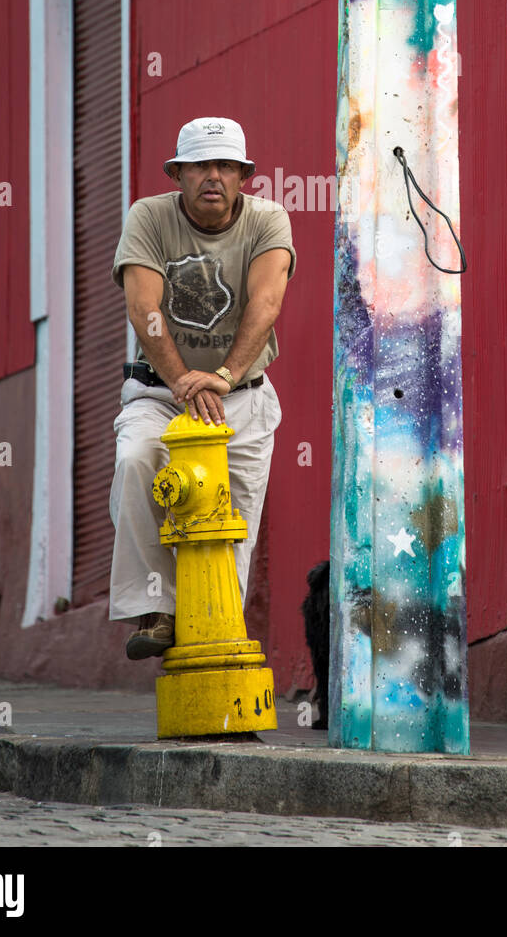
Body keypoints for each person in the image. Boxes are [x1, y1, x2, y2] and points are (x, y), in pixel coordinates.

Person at [108, 117, 295, 660]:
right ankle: (156, 606)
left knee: (233, 518)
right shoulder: (149, 216)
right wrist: (183, 380)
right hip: (161, 393)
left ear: (243, 175)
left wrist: (222, 376)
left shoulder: (268, 220)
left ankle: (215, 633)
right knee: (138, 459)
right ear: (177, 173)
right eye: (200, 166)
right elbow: (144, 308)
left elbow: (265, 303)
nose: (213, 176)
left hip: (241, 396)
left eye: (226, 166)